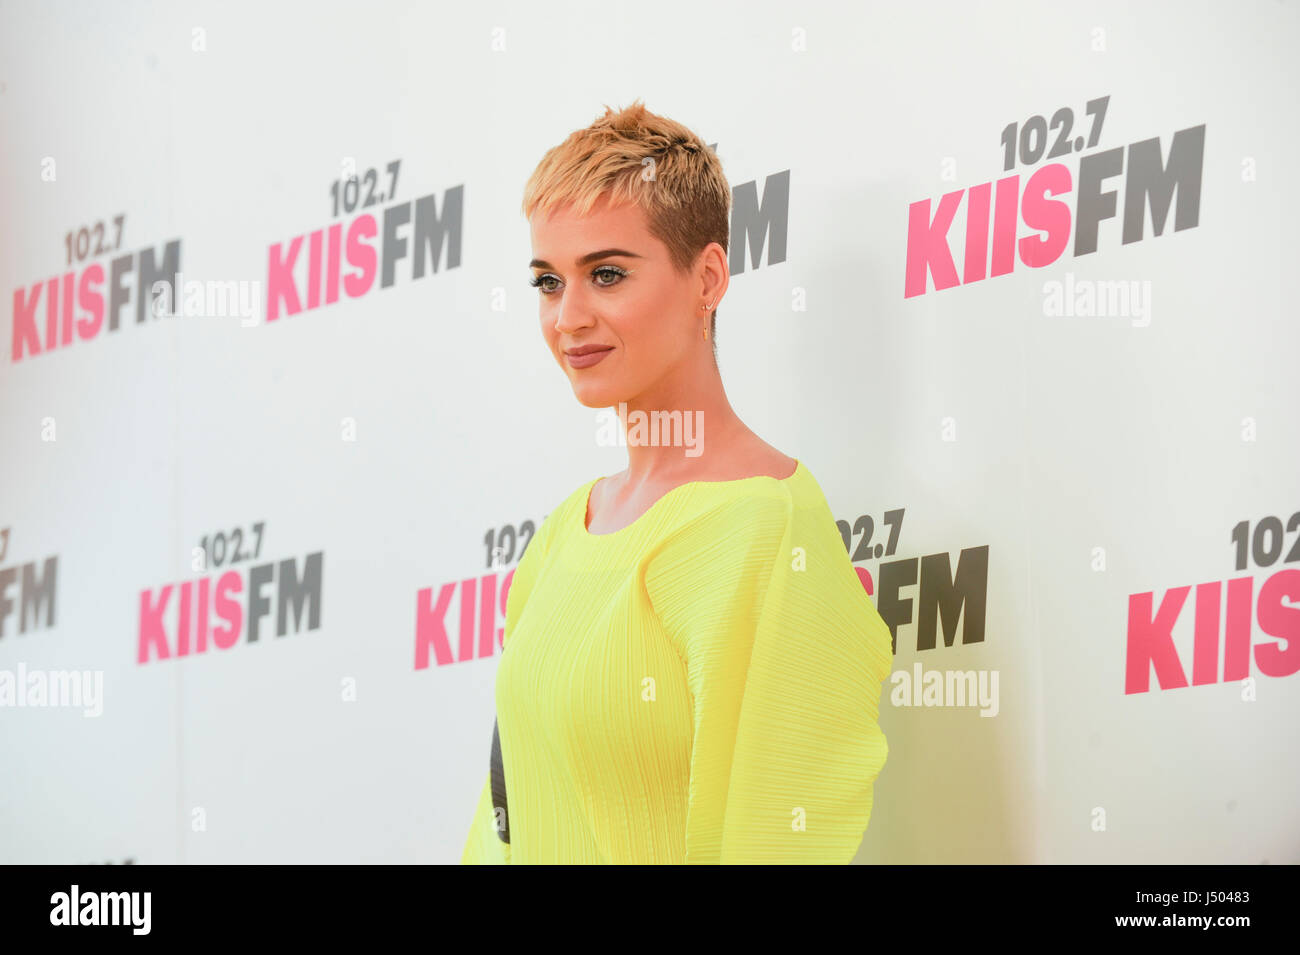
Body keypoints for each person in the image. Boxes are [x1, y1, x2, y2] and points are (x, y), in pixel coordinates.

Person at [460, 100, 893, 864]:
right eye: (548, 282)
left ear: (709, 277)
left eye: (607, 274)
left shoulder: (767, 528)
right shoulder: (564, 532)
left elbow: (772, 839)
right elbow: (503, 828)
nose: (569, 316)